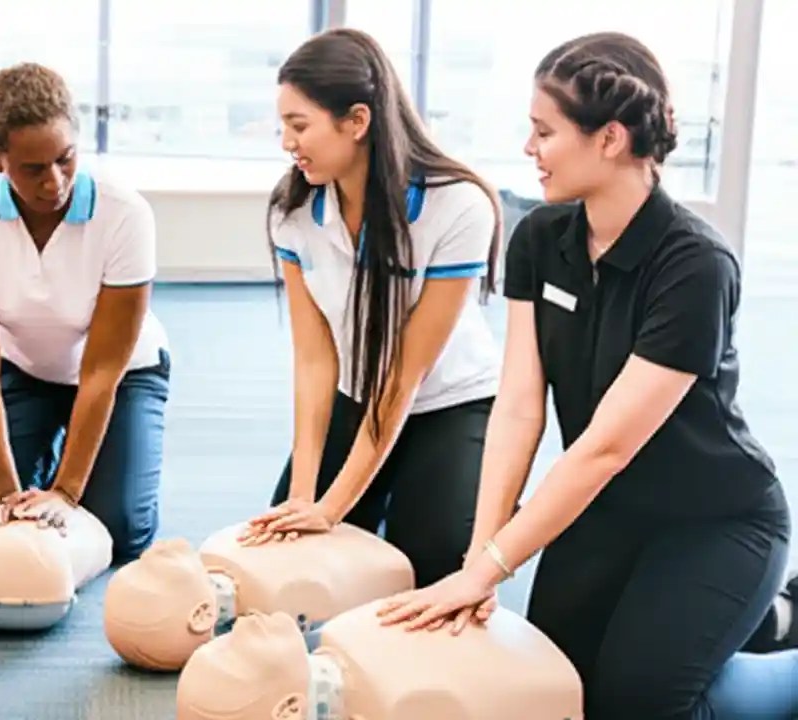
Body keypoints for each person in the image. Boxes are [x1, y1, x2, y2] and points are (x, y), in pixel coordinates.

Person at [376, 31, 798, 720]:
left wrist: (491, 568)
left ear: (608, 140)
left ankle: (782, 639)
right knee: (555, 684)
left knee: (635, 705)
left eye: (544, 131)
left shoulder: (694, 265)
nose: (528, 149)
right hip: (604, 514)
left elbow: (605, 448)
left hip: (715, 520)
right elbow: (517, 407)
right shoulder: (541, 239)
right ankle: (748, 622)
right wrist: (479, 558)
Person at [240, 28, 505, 589]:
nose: (287, 142)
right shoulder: (293, 211)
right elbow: (315, 361)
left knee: (431, 564)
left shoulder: (457, 206)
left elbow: (405, 375)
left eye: (299, 124)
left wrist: (333, 509)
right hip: (356, 395)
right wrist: (304, 496)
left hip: (448, 401)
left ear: (356, 121)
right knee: (286, 546)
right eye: (284, 125)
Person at [0, 62, 170, 565]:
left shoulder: (125, 213)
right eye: (33, 168)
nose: (54, 182)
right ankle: (44, 441)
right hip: (25, 369)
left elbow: (103, 370)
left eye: (65, 159)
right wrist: (4, 497)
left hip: (123, 376)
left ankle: (68, 453)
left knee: (122, 529)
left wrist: (66, 490)